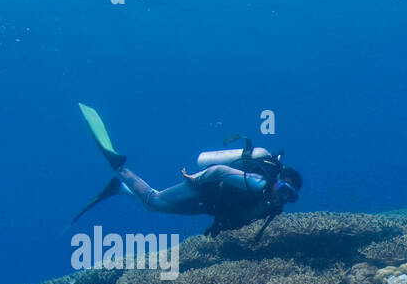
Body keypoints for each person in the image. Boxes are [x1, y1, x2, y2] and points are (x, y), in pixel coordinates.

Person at [67, 102, 302, 239]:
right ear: (275, 182)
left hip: (209, 204)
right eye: (283, 190)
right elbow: (219, 171)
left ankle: (120, 188)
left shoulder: (273, 205)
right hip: (202, 189)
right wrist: (195, 179)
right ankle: (118, 165)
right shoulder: (258, 183)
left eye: (290, 195)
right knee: (153, 201)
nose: (283, 197)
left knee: (154, 208)